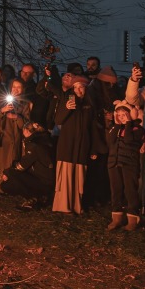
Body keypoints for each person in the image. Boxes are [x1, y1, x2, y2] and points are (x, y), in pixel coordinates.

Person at [53, 76, 102, 214]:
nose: (79, 90)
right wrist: (66, 109)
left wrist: (94, 148)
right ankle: (63, 205)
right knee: (66, 174)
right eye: (76, 87)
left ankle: (76, 205)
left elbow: (92, 128)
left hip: (82, 145)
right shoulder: (67, 100)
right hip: (67, 145)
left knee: (79, 175)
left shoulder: (89, 105)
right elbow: (58, 120)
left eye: (81, 87)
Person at [105, 100, 145, 229]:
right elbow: (110, 141)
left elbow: (129, 140)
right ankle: (117, 218)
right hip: (114, 163)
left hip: (129, 164)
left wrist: (129, 123)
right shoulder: (115, 128)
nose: (121, 117)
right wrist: (117, 125)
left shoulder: (137, 128)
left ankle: (133, 218)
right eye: (119, 115)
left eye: (124, 114)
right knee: (116, 190)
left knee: (130, 190)